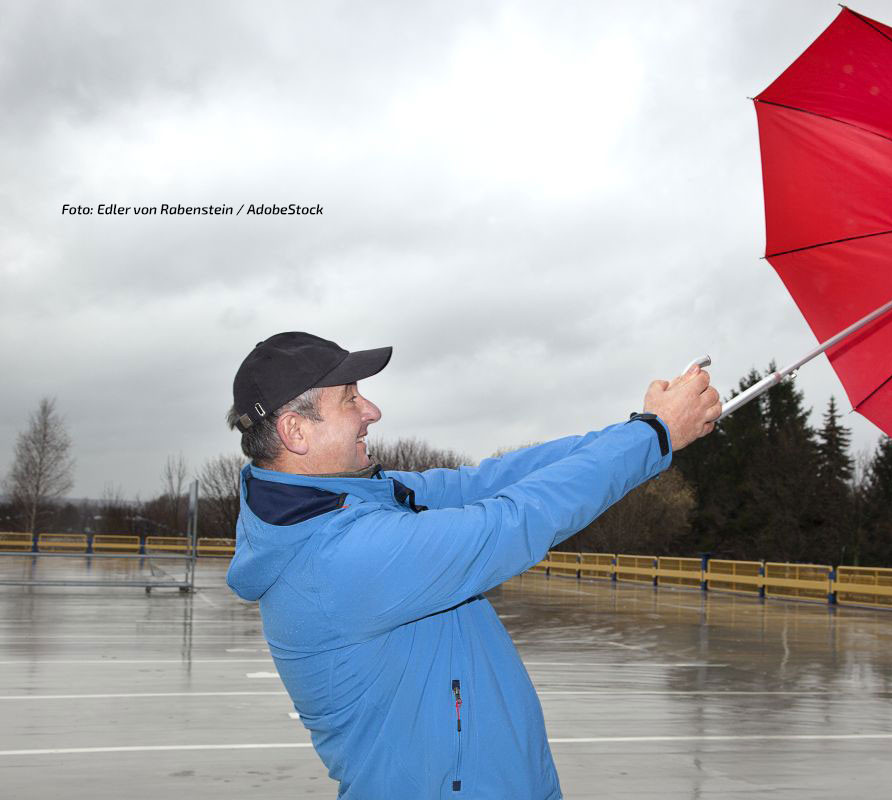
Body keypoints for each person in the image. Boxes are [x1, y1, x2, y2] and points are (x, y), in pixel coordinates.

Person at [225, 331, 720, 799]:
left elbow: (488, 481)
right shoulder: (339, 557)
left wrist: (640, 430)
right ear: (295, 431)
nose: (372, 411)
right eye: (350, 398)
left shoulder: (355, 501)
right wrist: (654, 437)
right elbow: (511, 521)